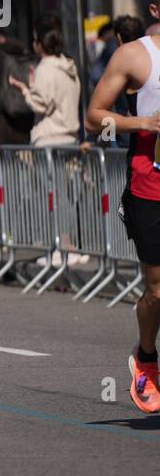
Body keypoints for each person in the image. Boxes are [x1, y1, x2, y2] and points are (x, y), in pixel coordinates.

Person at [86, 27, 160, 413]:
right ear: (156, 9)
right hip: (150, 187)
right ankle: (147, 355)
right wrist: (142, 124)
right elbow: (94, 121)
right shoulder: (135, 55)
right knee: (158, 290)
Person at [7, 18, 81, 148]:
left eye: (35, 40)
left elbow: (40, 104)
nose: (33, 43)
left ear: (40, 44)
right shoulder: (69, 67)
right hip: (71, 138)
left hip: (50, 140)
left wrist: (25, 90)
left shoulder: (45, 68)